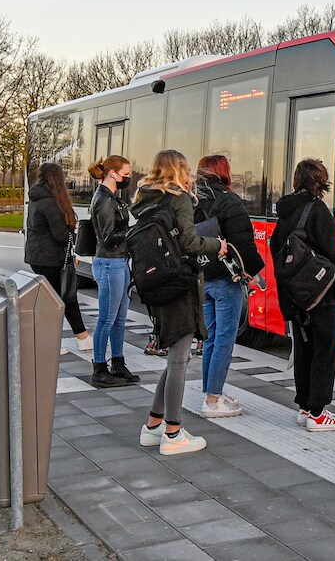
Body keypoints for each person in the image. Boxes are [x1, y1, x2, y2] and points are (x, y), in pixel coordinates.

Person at [134, 150, 227, 456]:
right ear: (178, 170)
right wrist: (217, 245)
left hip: (154, 280)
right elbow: (189, 242)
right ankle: (173, 433)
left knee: (176, 357)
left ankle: (153, 425)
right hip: (178, 282)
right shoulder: (178, 199)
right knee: (179, 360)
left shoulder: (145, 198)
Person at [271, 158, 335, 432]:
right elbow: (332, 251)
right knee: (325, 350)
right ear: (320, 181)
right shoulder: (317, 209)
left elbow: (275, 248)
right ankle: (318, 414)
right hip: (321, 293)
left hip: (294, 293)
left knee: (304, 348)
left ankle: (305, 407)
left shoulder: (285, 211)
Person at [194, 155, 264, 419]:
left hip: (202, 277)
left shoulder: (193, 199)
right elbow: (243, 242)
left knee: (210, 338)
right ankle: (213, 400)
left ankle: (211, 393)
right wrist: (254, 274)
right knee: (224, 339)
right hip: (225, 279)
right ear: (224, 172)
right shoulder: (229, 201)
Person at [25, 163, 92, 352]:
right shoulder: (50, 202)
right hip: (51, 257)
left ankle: (81, 337)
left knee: (62, 297)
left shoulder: (36, 198)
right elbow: (61, 235)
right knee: (61, 299)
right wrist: (74, 234)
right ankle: (52, 343)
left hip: (37, 256)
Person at [88, 156, 139, 388]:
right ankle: (99, 369)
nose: (128, 178)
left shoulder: (112, 197)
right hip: (110, 263)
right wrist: (133, 232)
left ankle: (118, 363)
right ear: (113, 173)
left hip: (119, 262)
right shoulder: (104, 199)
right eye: (126, 174)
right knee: (107, 319)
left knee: (119, 318)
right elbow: (108, 238)